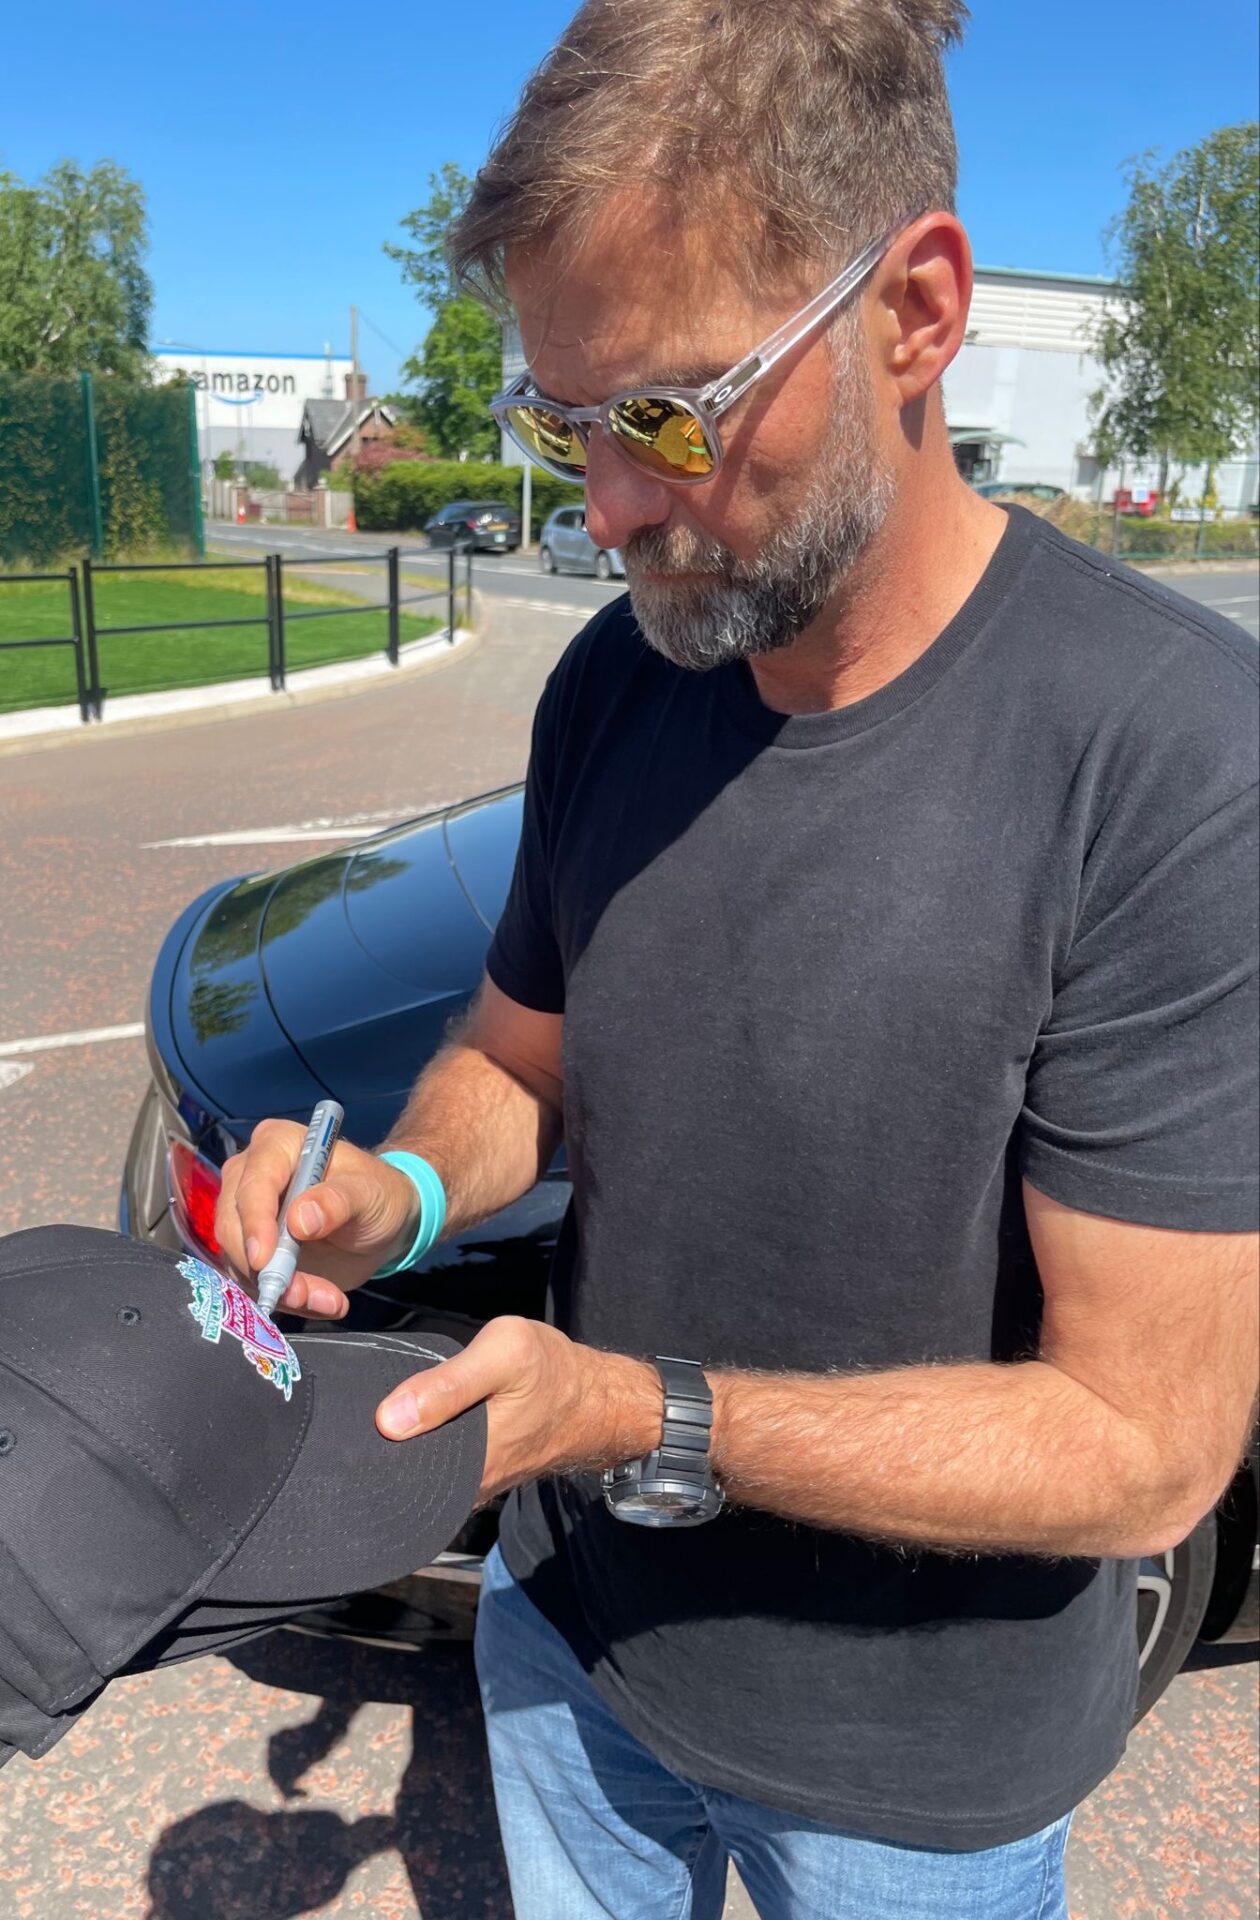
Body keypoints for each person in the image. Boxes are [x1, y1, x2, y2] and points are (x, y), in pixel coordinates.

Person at [216, 3, 1260, 1915]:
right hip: (566, 1648)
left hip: (911, 1785)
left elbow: (1147, 1446)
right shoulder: (619, 680)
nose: (607, 508)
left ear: (916, 313)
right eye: (563, 426)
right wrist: (395, 1192)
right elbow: (523, 1061)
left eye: (668, 417)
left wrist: (638, 1415)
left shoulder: (1173, 755)